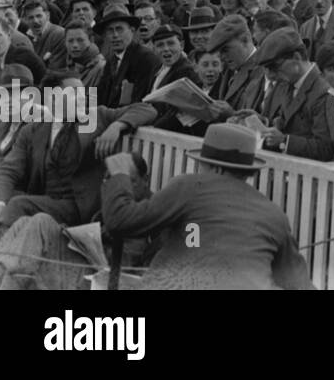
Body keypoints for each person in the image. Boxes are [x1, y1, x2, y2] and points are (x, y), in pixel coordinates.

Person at [100, 123, 313, 289]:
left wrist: (119, 175)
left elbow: (120, 221)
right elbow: (299, 283)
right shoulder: (274, 214)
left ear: (214, 167)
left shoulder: (190, 187)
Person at [0, 74, 157, 234]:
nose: (82, 98)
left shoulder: (96, 117)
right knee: (7, 201)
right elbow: (9, 170)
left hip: (81, 205)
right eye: (74, 93)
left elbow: (146, 108)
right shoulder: (32, 131)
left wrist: (117, 126)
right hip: (46, 200)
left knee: (18, 204)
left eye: (83, 93)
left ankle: (1, 253)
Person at [248, 28, 334, 161]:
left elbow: (326, 149)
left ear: (296, 58)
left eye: (275, 67)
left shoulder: (323, 93)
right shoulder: (287, 84)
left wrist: (284, 141)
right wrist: (263, 123)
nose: (272, 76)